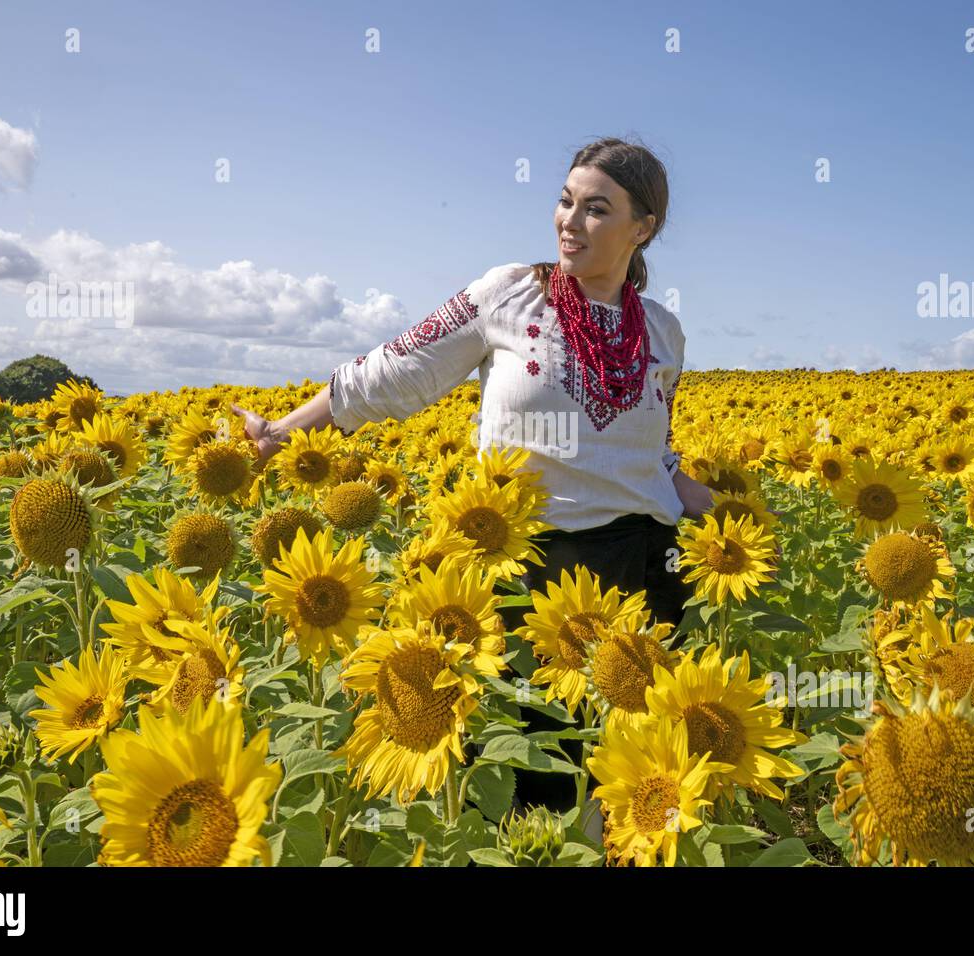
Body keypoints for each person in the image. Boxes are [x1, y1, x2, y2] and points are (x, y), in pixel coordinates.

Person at [231, 136, 716, 823]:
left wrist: (714, 502)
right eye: (566, 201)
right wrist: (285, 431)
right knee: (524, 787)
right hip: (522, 568)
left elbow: (652, 449)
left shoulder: (663, 332)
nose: (571, 222)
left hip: (642, 570)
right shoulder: (511, 295)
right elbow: (398, 368)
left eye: (597, 209)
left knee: (625, 786)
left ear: (644, 229)